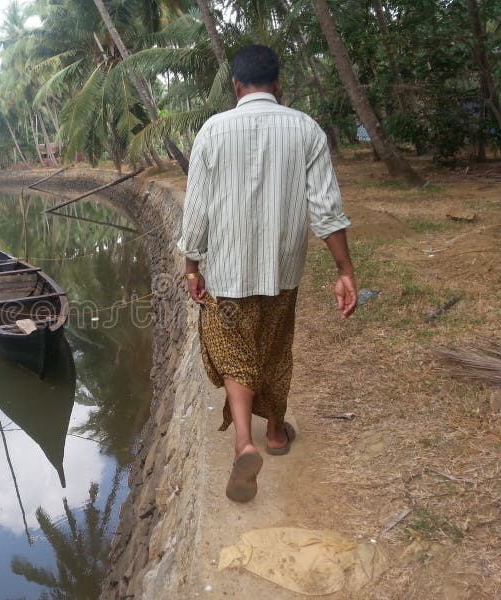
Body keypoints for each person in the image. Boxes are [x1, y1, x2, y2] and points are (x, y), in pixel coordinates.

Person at [177, 45, 357, 503]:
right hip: (283, 269)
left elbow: (196, 210)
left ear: (236, 85)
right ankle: (276, 434)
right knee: (275, 349)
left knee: (234, 351)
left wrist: (192, 267)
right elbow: (326, 209)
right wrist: (344, 270)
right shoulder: (306, 129)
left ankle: (244, 442)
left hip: (227, 271)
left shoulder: (212, 131)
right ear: (278, 83)